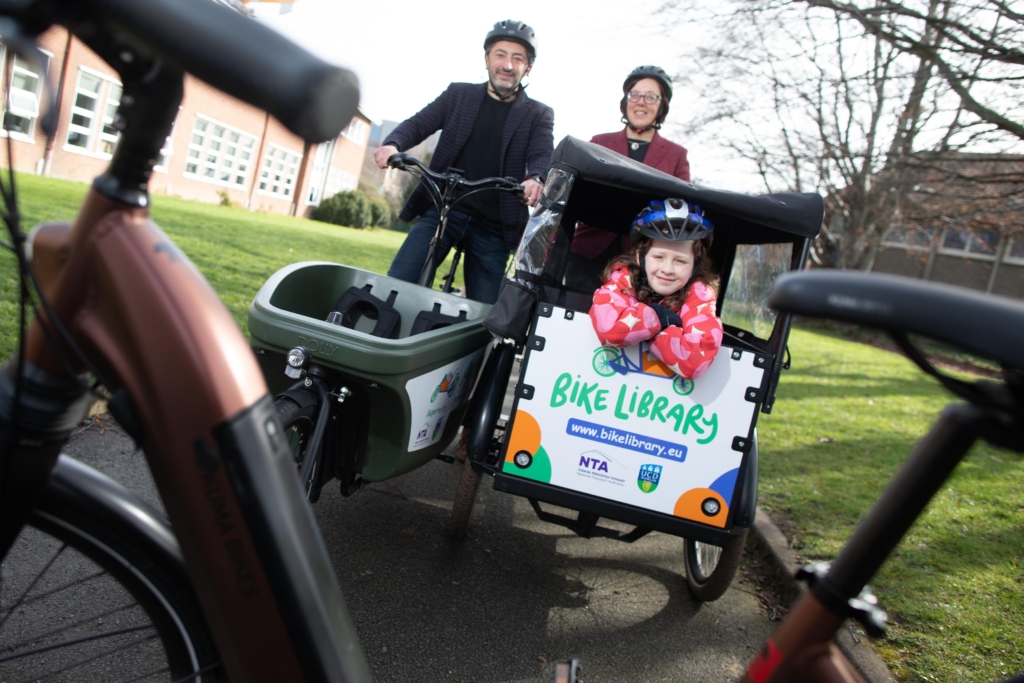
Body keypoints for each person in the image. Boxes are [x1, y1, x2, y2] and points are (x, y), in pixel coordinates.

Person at [375, 20, 555, 305]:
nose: (507, 65)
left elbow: (542, 152)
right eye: (500, 54)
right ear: (487, 59)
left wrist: (536, 178)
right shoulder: (458, 95)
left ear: (528, 67)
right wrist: (393, 144)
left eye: (518, 58)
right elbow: (420, 123)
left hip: (494, 225)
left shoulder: (538, 114)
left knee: (485, 312)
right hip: (443, 209)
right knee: (398, 283)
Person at [566, 65, 691, 293]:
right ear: (625, 102)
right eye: (635, 95)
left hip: (643, 261)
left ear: (662, 106)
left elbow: (682, 210)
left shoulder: (676, 155)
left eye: (651, 97)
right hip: (588, 253)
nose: (641, 102)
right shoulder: (599, 143)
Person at [590, 199, 723, 380]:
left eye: (680, 261)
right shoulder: (623, 278)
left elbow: (694, 362)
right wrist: (657, 318)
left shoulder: (699, 294)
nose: (667, 269)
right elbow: (609, 329)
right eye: (659, 257)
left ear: (695, 265)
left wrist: (644, 329)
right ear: (640, 256)